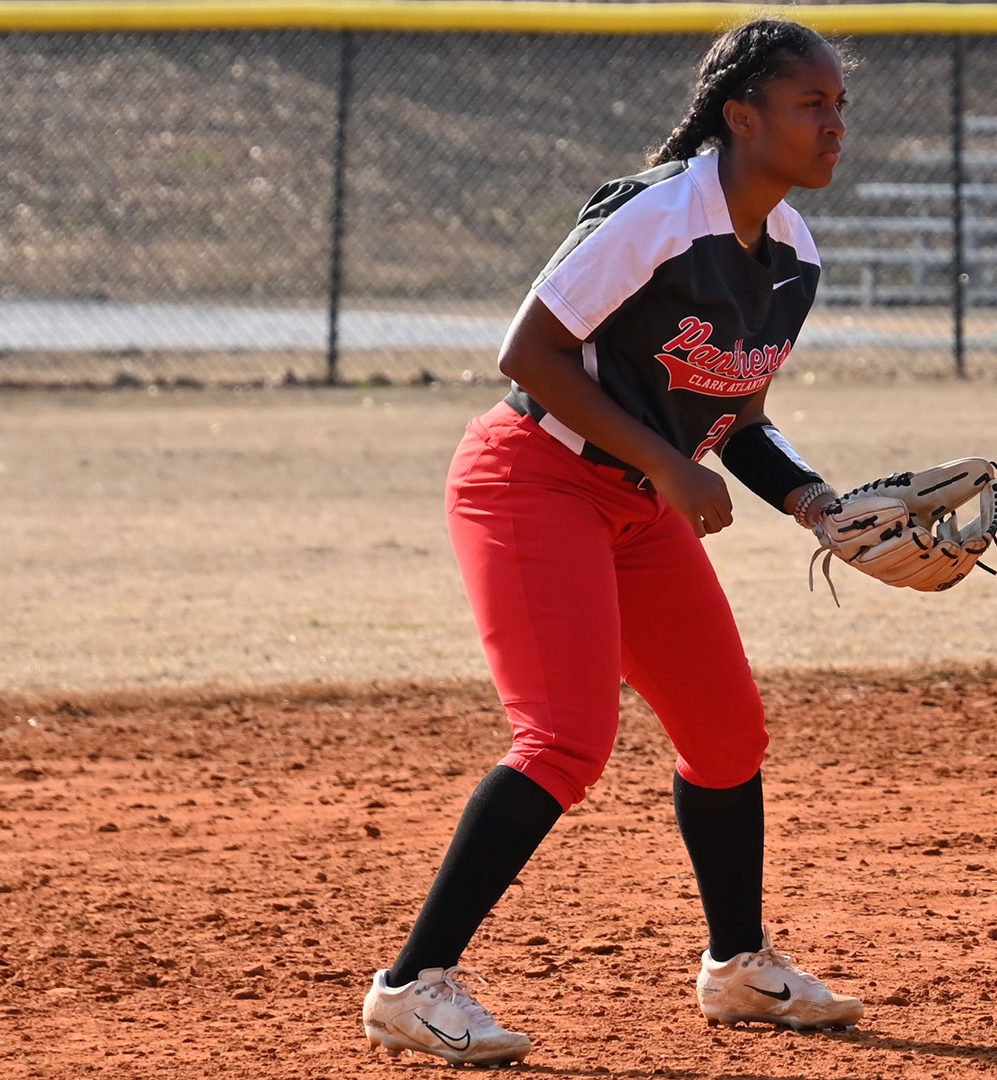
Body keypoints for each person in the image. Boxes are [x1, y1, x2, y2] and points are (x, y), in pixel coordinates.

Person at [358, 19, 862, 1067]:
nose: (835, 125)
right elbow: (529, 352)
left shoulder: (794, 255)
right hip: (533, 480)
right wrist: (674, 468)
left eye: (838, 104)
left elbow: (739, 419)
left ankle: (738, 968)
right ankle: (412, 986)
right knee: (564, 737)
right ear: (742, 115)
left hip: (636, 505)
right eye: (811, 104)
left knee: (726, 734)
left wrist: (820, 506)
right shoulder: (660, 213)